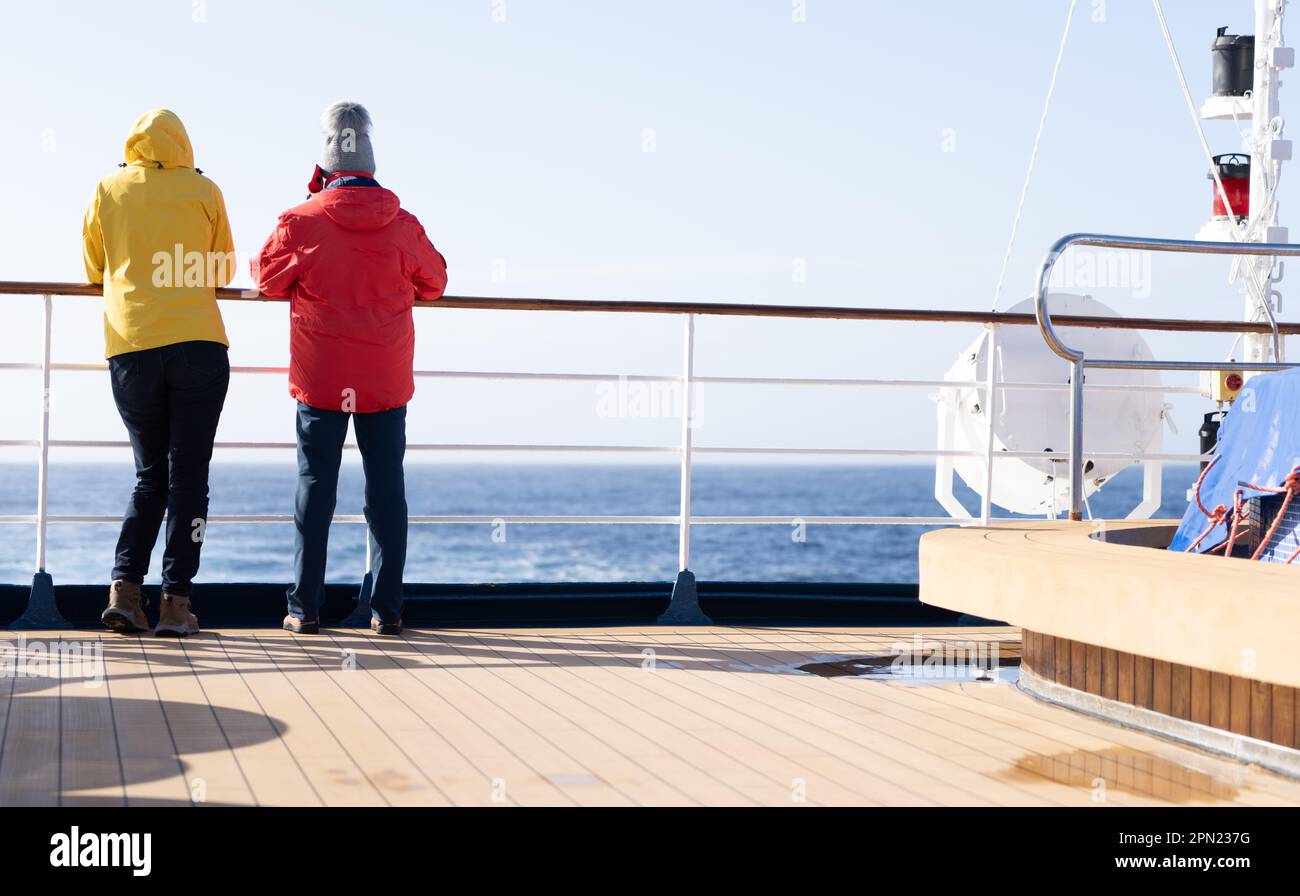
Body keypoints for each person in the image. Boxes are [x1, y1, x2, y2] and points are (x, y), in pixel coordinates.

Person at [254, 101, 447, 636]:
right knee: (386, 492)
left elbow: (266, 279)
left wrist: (313, 199)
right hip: (384, 379)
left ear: (324, 163)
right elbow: (435, 281)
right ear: (372, 160)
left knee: (315, 488)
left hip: (322, 381)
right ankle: (387, 611)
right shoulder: (403, 225)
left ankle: (304, 608)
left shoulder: (301, 221)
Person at [83, 109, 235, 637]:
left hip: (132, 346)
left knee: (150, 477)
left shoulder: (108, 188)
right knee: (189, 477)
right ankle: (176, 605)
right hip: (198, 345)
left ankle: (124, 594)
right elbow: (223, 270)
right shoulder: (205, 189)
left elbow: (93, 267)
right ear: (184, 145)